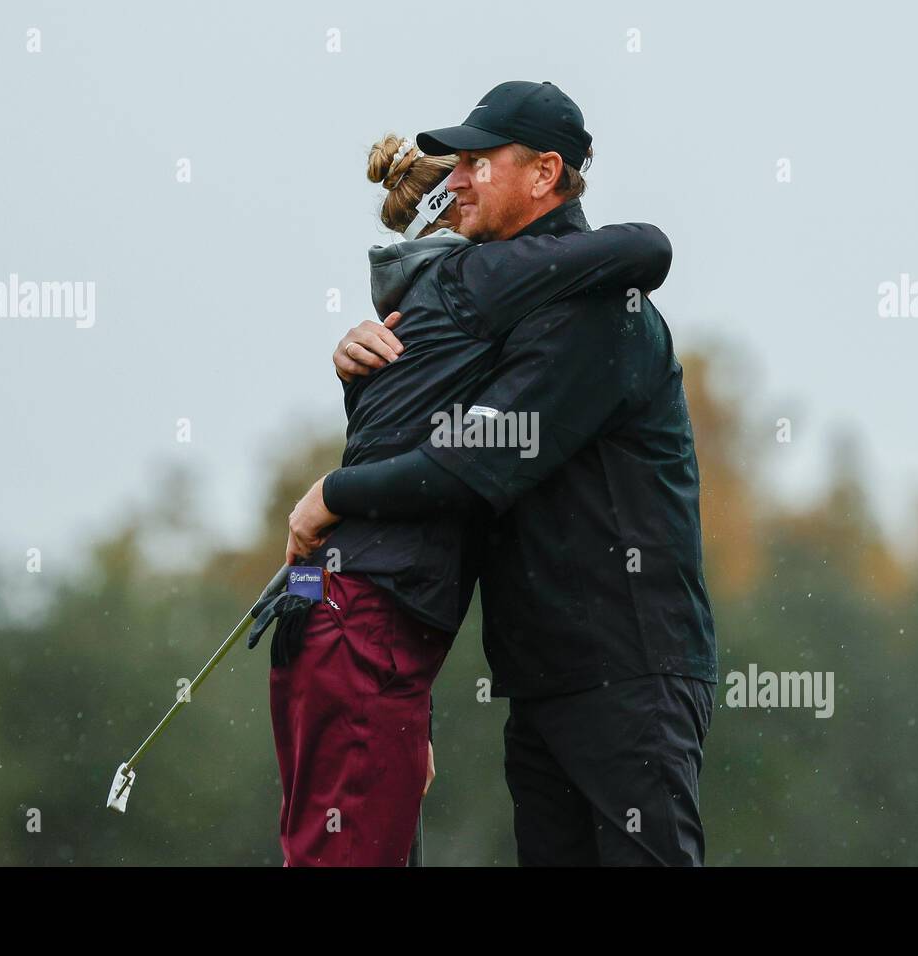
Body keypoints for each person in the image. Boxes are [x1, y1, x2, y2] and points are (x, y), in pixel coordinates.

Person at [288, 81, 720, 866]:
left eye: (478, 162)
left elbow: (473, 465)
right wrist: (365, 373)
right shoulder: (511, 300)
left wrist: (331, 495)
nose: (454, 179)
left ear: (544, 174)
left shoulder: (597, 309)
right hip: (544, 681)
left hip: (628, 675)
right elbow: (422, 433)